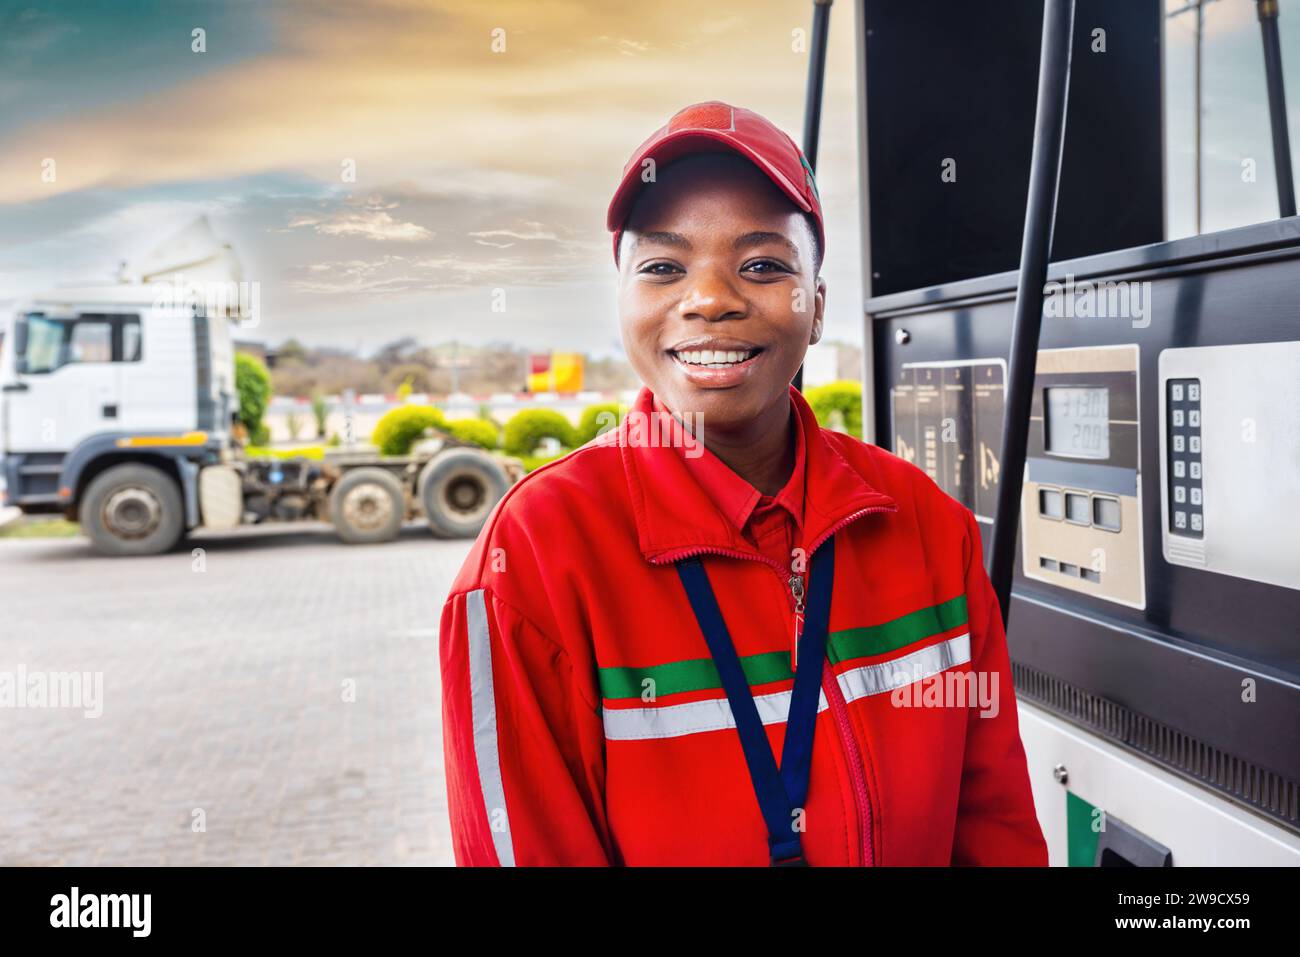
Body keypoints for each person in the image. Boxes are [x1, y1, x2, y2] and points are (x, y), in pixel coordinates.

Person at [439, 101, 1048, 866]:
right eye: (663, 266)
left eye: (762, 265)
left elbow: (996, 830)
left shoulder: (927, 524)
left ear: (818, 307)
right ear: (623, 304)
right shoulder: (531, 559)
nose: (710, 299)